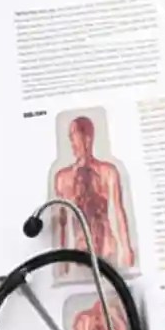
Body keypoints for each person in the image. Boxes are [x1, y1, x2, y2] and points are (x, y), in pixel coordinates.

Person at [52, 116, 135, 276]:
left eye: (73, 136)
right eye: (69, 137)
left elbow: (118, 211)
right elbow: (62, 223)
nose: (71, 142)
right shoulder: (63, 178)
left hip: (107, 248)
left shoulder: (108, 172)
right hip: (80, 250)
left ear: (87, 138)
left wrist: (126, 248)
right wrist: (61, 262)